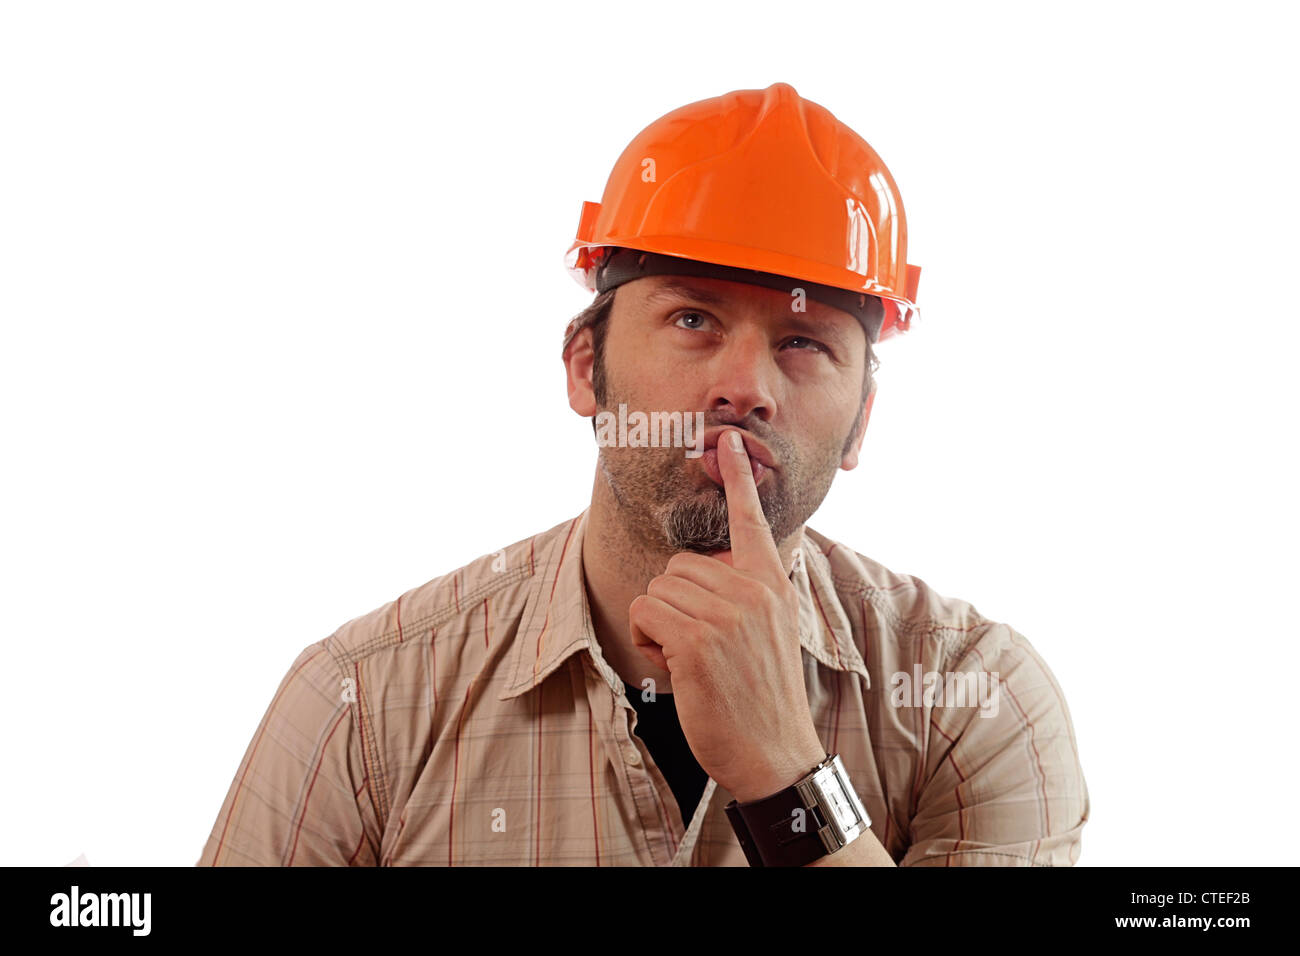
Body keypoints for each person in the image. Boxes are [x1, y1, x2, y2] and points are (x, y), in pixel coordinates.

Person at [198, 82, 1089, 867]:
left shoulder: (973, 702)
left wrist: (788, 775)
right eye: (694, 319)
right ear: (586, 367)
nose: (745, 388)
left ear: (860, 422)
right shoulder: (364, 703)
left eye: (803, 342)